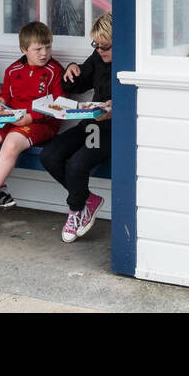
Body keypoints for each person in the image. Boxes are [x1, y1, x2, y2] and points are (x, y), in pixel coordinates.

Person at [0, 21, 65, 226]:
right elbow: (6, 96)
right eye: (37, 49)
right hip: (12, 120)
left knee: (11, 142)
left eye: (48, 47)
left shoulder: (54, 71)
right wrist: (0, 103)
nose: (44, 53)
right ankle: (0, 194)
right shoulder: (13, 70)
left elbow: (59, 105)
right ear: (24, 50)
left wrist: (32, 117)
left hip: (40, 124)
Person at [42, 13, 113, 243]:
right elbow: (80, 81)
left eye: (105, 47)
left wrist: (118, 110)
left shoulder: (131, 63)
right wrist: (71, 70)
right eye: (97, 46)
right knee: (50, 155)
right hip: (91, 122)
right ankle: (88, 200)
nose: (100, 51)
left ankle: (74, 209)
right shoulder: (99, 57)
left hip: (113, 130)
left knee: (76, 163)